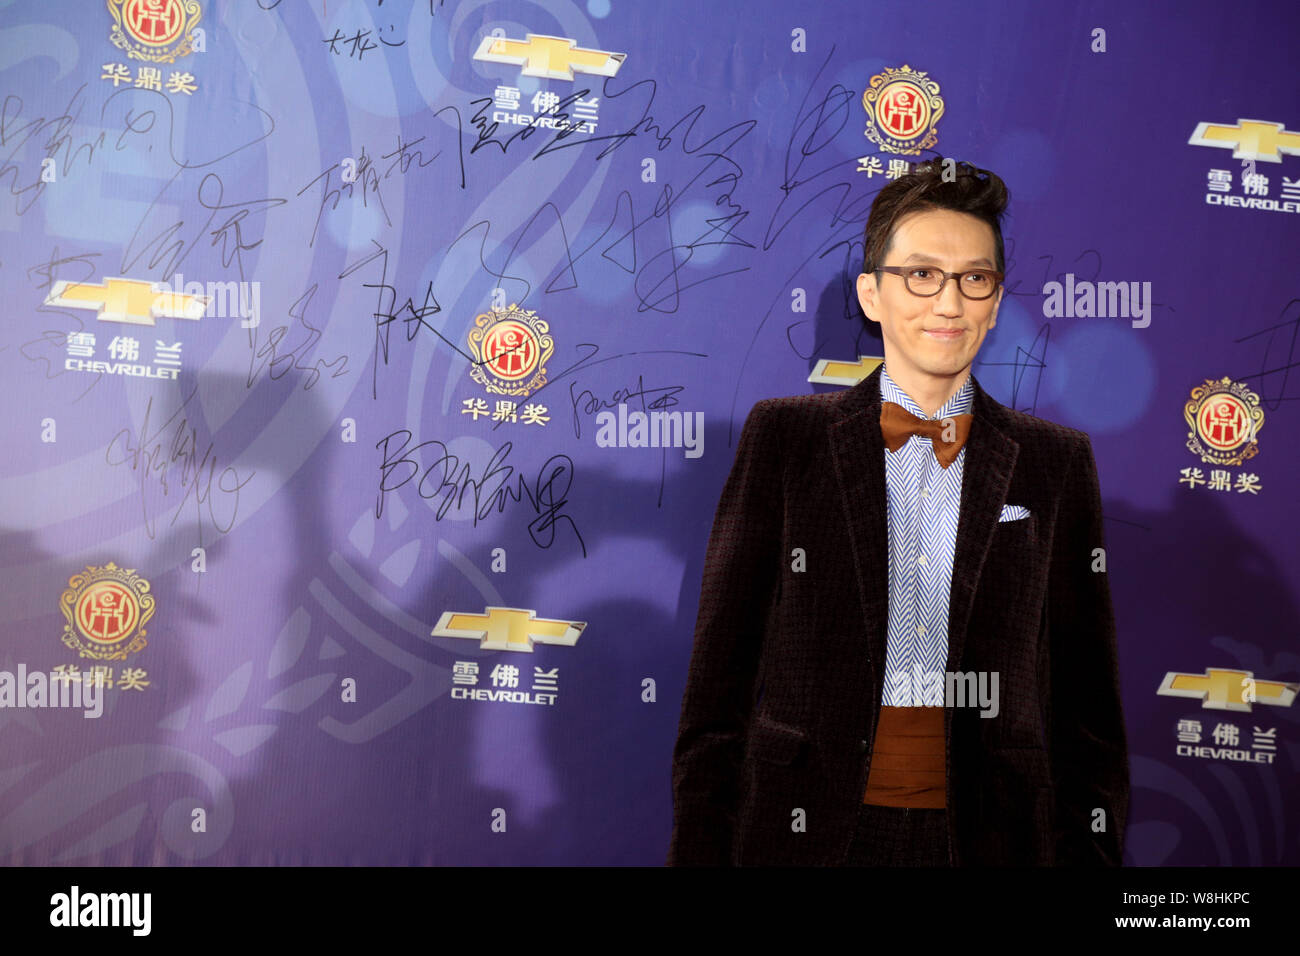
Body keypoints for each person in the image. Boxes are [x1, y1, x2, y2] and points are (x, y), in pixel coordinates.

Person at [667, 157, 1129, 866]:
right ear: (871, 294)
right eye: (921, 275)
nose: (949, 304)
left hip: (989, 835)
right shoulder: (784, 439)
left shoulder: (1055, 462)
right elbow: (717, 690)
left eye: (974, 279)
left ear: (996, 301)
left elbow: (1088, 712)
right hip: (805, 828)